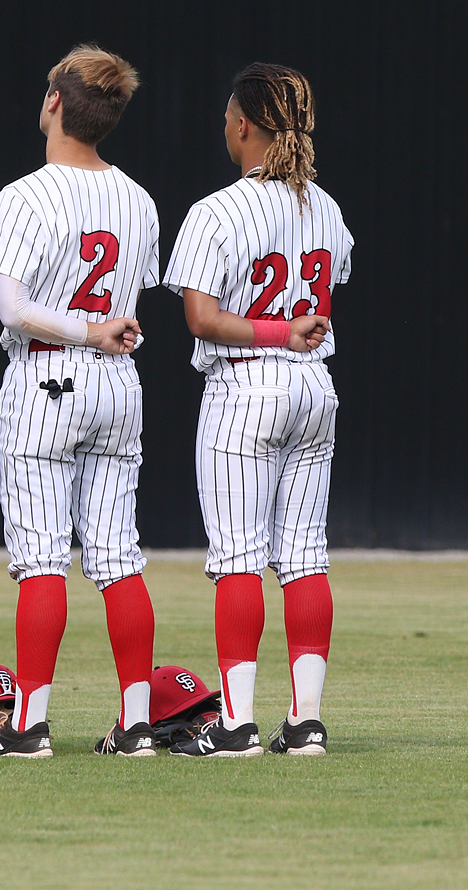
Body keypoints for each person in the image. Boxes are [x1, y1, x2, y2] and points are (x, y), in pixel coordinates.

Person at [0, 45, 162, 758]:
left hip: (48, 377)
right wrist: (100, 328)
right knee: (117, 558)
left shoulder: (23, 195)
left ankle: (30, 726)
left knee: (43, 561)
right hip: (116, 381)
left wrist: (85, 327)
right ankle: (136, 723)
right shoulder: (138, 199)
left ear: (55, 102)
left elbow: (12, 311)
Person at [161, 63, 353, 758]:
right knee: (304, 559)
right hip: (312, 387)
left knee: (240, 559)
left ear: (244, 124)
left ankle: (236, 722)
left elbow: (201, 319)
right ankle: (306, 723)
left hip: (247, 386)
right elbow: (328, 293)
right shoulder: (325, 208)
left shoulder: (216, 210)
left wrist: (272, 331)